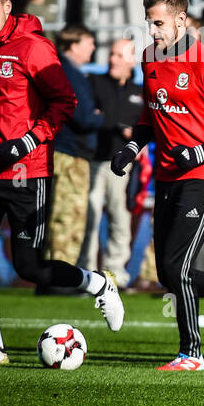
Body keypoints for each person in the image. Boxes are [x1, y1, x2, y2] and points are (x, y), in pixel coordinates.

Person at [0, 0, 124, 365]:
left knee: (30, 267)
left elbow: (64, 102)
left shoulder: (34, 48)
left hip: (27, 172)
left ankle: (98, 284)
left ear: (7, 8)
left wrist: (26, 141)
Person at [110, 0, 204, 370]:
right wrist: (131, 148)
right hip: (167, 174)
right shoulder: (148, 59)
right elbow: (150, 114)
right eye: (149, 23)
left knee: (177, 267)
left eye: (159, 23)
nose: (153, 30)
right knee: (167, 271)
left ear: (180, 20)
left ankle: (191, 353)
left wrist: (201, 151)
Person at [82, 38, 143, 287]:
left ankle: (116, 273)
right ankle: (86, 274)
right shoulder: (94, 83)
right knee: (90, 216)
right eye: (112, 54)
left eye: (119, 55)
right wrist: (118, 126)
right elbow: (87, 118)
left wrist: (134, 137)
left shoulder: (139, 93)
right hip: (94, 161)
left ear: (131, 60)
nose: (112, 59)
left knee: (120, 216)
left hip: (124, 165)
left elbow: (144, 129)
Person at [44, 23, 103, 279]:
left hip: (65, 152)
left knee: (62, 216)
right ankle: (60, 278)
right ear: (74, 45)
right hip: (70, 155)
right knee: (68, 218)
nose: (93, 47)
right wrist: (102, 117)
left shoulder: (65, 71)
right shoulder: (71, 74)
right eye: (89, 42)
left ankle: (53, 275)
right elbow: (82, 117)